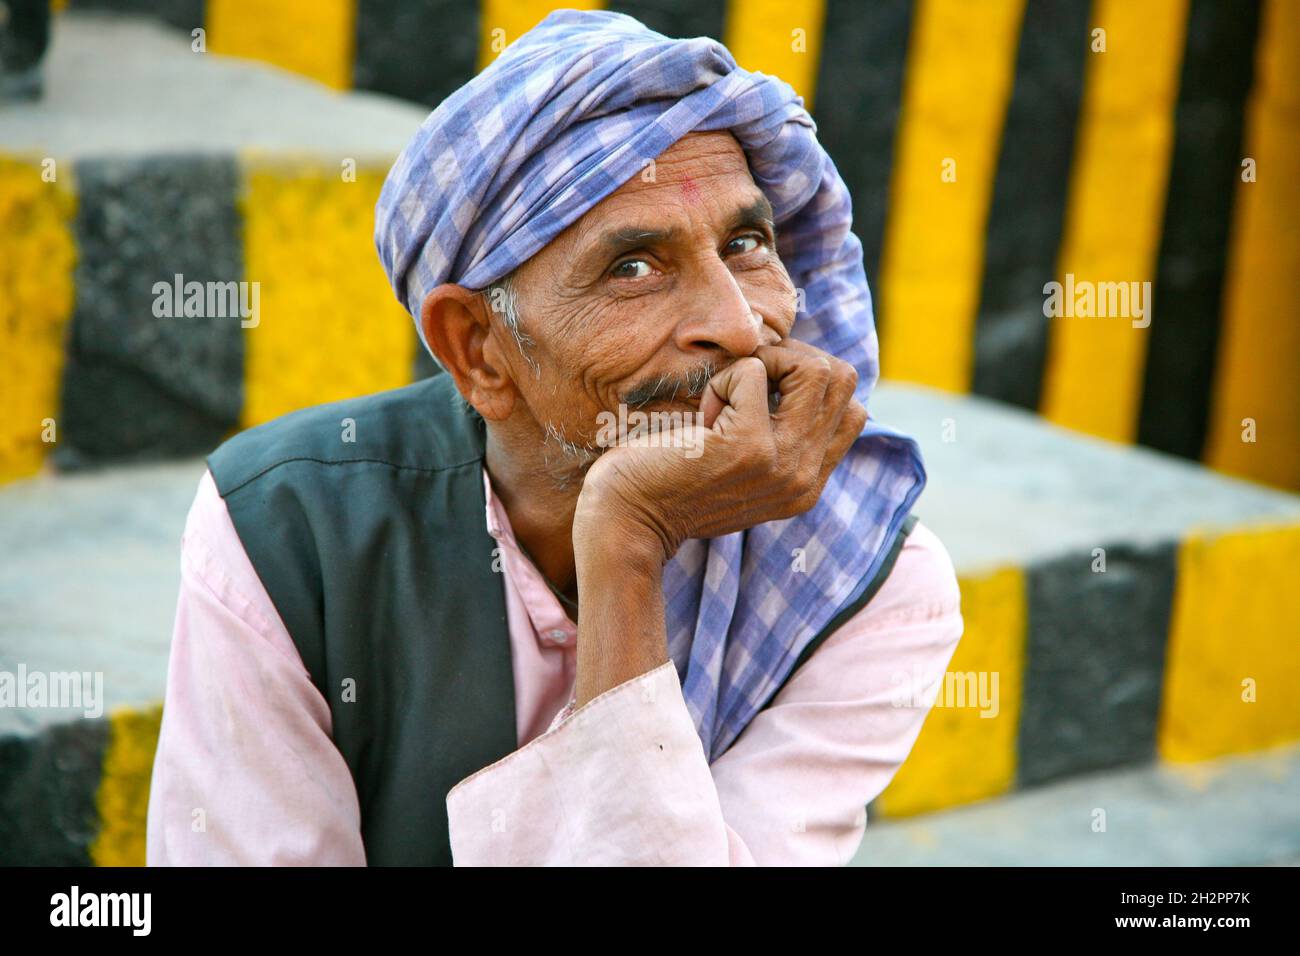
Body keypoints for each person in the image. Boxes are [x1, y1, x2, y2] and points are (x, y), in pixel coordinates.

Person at [146, 9, 963, 866]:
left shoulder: (864, 583)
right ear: (478, 348)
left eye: (747, 243)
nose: (737, 324)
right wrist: (629, 529)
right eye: (633, 268)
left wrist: (624, 543)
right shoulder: (285, 530)